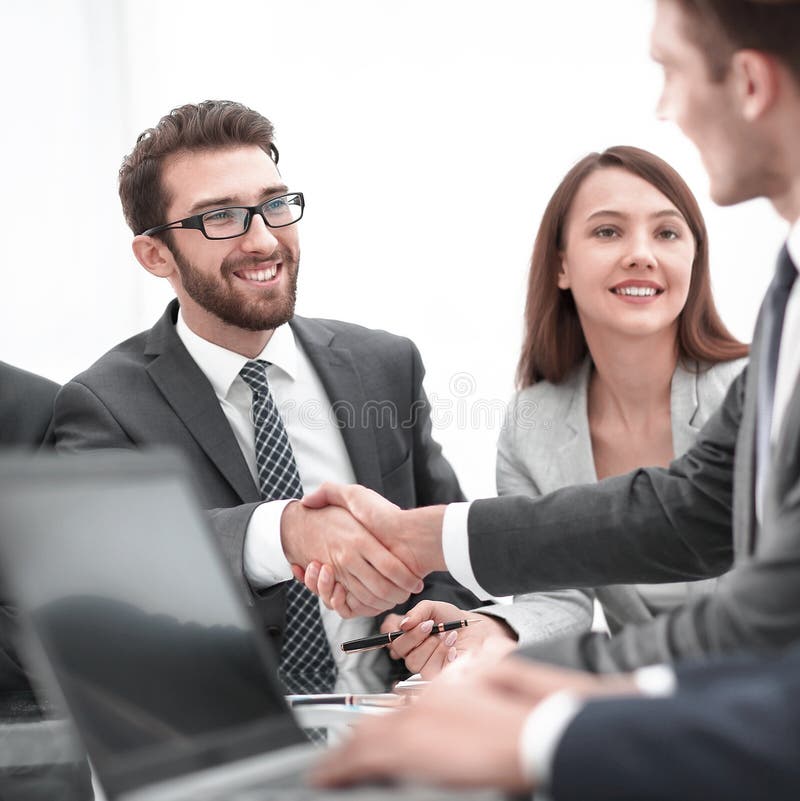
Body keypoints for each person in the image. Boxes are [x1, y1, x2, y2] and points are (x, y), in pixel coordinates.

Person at [310, 0, 800, 797]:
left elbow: (762, 619)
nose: (664, 105)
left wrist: (529, 711)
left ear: (747, 82)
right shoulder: (790, 299)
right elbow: (687, 512)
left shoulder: (754, 350)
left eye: (669, 70)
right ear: (563, 265)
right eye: (608, 231)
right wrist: (422, 539)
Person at [51, 100, 480, 689]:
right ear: (155, 255)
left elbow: (445, 541)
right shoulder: (103, 405)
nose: (262, 239)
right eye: (220, 217)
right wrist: (285, 532)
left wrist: (447, 619)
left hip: (391, 730)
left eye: (274, 205)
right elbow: (117, 563)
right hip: (229, 753)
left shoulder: (385, 364)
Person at [366, 146, 749, 677]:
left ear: (694, 259)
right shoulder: (532, 425)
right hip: (647, 706)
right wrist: (492, 631)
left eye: (667, 233)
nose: (642, 254)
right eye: (608, 231)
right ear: (562, 264)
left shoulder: (755, 390)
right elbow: (557, 596)